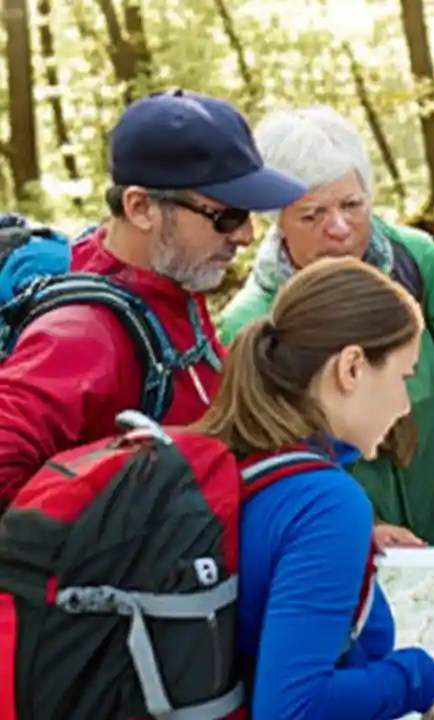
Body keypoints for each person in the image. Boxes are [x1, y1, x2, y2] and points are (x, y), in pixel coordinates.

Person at [195, 256, 434, 719]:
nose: (405, 406)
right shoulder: (324, 504)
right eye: (404, 376)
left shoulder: (243, 456)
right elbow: (292, 710)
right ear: (352, 368)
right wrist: (424, 681)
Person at [0, 89, 306, 508]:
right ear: (141, 207)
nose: (245, 235)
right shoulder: (82, 335)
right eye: (227, 216)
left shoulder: (173, 286)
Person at [216, 105, 434, 548]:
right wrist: (360, 533)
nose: (340, 228)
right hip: (352, 550)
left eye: (352, 205)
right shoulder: (250, 323)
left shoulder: (416, 261)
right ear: (277, 223)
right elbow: (264, 466)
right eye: (312, 215)